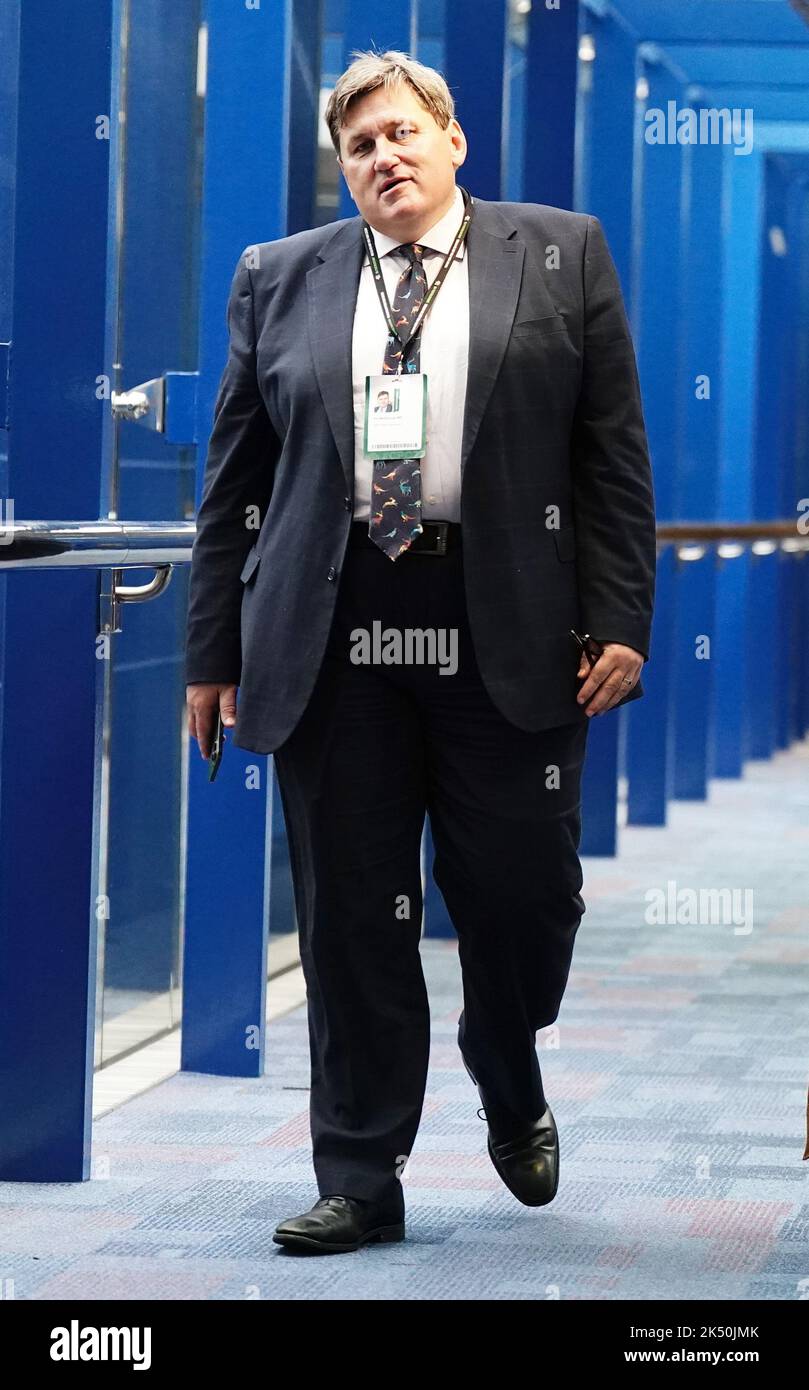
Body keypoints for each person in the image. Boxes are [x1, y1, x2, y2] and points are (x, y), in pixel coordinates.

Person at [185, 49, 656, 1256]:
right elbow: (232, 481)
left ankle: (505, 1054)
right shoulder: (277, 278)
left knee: (521, 892)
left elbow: (609, 458)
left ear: (450, 140)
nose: (382, 158)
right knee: (348, 911)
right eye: (359, 147)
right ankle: (361, 1169)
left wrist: (619, 616)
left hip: (503, 618)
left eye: (401, 133)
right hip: (331, 624)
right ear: (343, 172)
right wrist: (211, 650)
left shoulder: (560, 254)